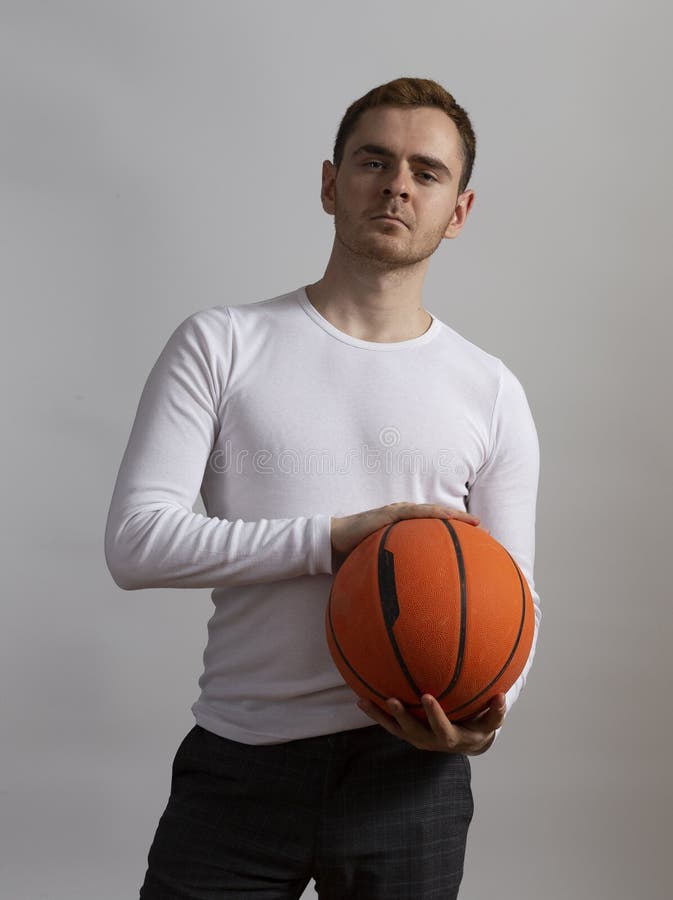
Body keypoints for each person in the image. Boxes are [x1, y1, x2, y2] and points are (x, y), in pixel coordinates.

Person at [104, 76, 541, 900]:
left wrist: (485, 717)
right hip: (240, 759)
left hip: (409, 773)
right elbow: (135, 543)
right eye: (373, 161)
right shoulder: (222, 343)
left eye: (426, 171)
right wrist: (335, 538)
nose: (397, 185)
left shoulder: (489, 390)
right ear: (329, 184)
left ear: (458, 210)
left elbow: (514, 591)